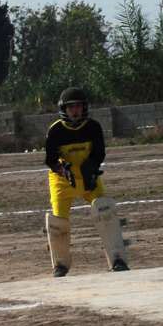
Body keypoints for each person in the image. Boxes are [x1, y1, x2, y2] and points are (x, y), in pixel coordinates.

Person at [43, 87, 128, 277]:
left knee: (105, 210)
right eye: (71, 107)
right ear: (64, 109)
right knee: (58, 221)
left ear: (84, 108)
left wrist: (91, 168)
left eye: (79, 106)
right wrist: (62, 169)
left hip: (88, 176)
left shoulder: (93, 127)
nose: (75, 110)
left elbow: (99, 153)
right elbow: (50, 160)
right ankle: (60, 264)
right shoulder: (55, 130)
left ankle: (117, 259)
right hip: (62, 181)